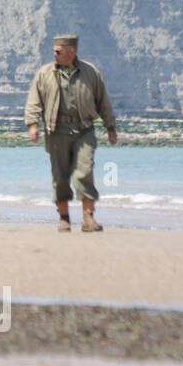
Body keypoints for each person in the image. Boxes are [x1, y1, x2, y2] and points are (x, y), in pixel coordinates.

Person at [24, 34, 118, 233]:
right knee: (60, 176)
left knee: (84, 172)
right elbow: (34, 101)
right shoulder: (44, 73)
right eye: (54, 51)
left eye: (58, 51)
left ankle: (88, 218)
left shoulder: (90, 72)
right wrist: (32, 125)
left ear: (71, 52)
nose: (54, 54)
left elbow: (103, 101)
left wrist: (110, 127)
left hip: (84, 130)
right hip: (56, 131)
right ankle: (64, 218)